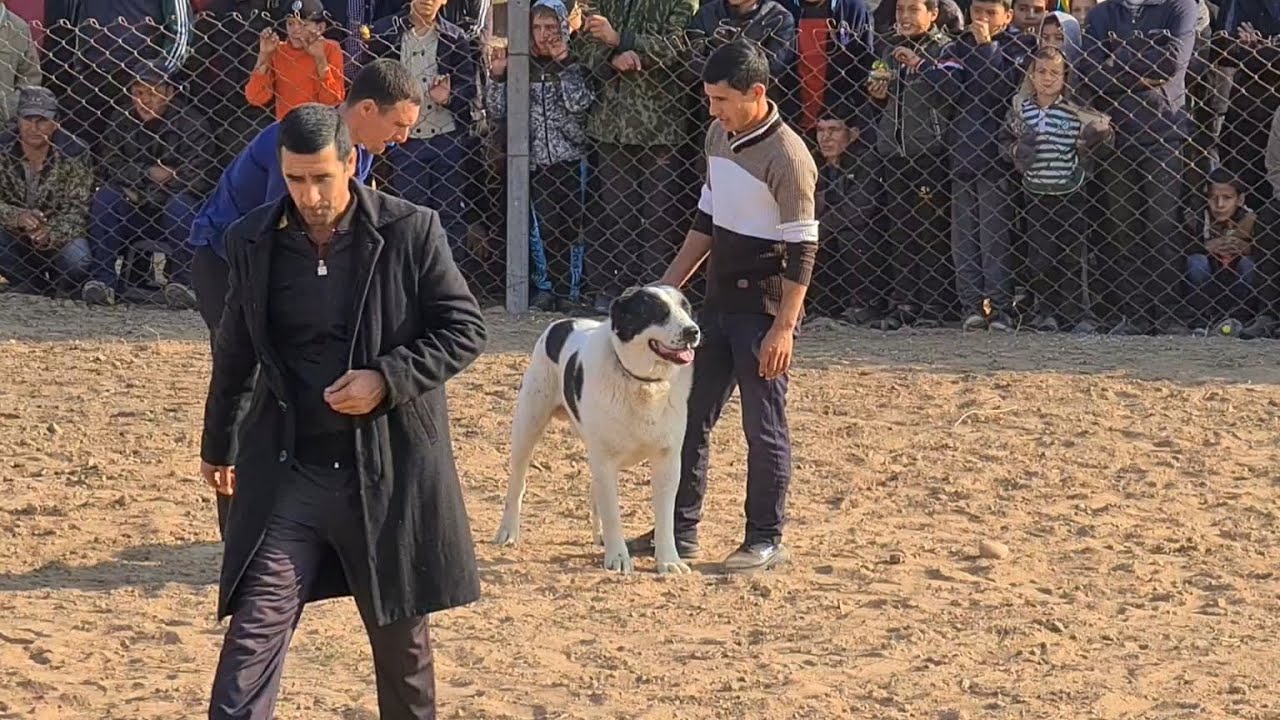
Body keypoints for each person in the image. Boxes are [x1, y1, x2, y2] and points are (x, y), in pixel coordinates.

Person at [200, 104, 487, 719]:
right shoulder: (251, 238)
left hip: (384, 470)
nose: (309, 196)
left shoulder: (411, 230)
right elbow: (235, 351)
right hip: (292, 471)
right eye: (295, 179)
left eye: (321, 178)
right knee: (254, 629)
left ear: (351, 163)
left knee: (402, 650)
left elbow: (464, 329)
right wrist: (218, 444)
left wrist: (387, 378)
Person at [190, 58, 423, 537]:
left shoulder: (357, 149)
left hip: (270, 258)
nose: (403, 137)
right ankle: (240, 525)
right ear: (366, 110)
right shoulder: (303, 142)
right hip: (226, 262)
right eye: (399, 124)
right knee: (252, 377)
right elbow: (277, 232)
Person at [626, 40, 817, 572]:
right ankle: (679, 530)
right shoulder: (718, 135)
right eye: (710, 98)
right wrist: (667, 289)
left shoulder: (788, 157)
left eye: (723, 100)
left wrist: (783, 327)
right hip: (714, 307)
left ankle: (765, 538)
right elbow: (707, 219)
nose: (714, 110)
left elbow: (803, 248)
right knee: (688, 416)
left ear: (757, 92)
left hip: (761, 312)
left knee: (763, 426)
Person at [0, 86, 94, 294]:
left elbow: (78, 209)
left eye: (41, 120)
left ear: (56, 122)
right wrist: (18, 217)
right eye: (27, 120)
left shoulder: (75, 151)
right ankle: (29, 283)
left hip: (58, 231)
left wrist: (50, 232)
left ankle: (64, 287)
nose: (34, 128)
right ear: (18, 120)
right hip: (12, 231)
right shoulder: (2, 147)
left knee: (78, 259)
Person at [244, 0, 346, 121]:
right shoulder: (279, 50)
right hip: (287, 124)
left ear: (320, 27)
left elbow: (333, 100)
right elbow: (255, 97)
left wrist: (320, 58)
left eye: (303, 24)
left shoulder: (330, 48)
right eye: (290, 23)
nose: (295, 29)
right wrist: (264, 55)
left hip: (320, 124)